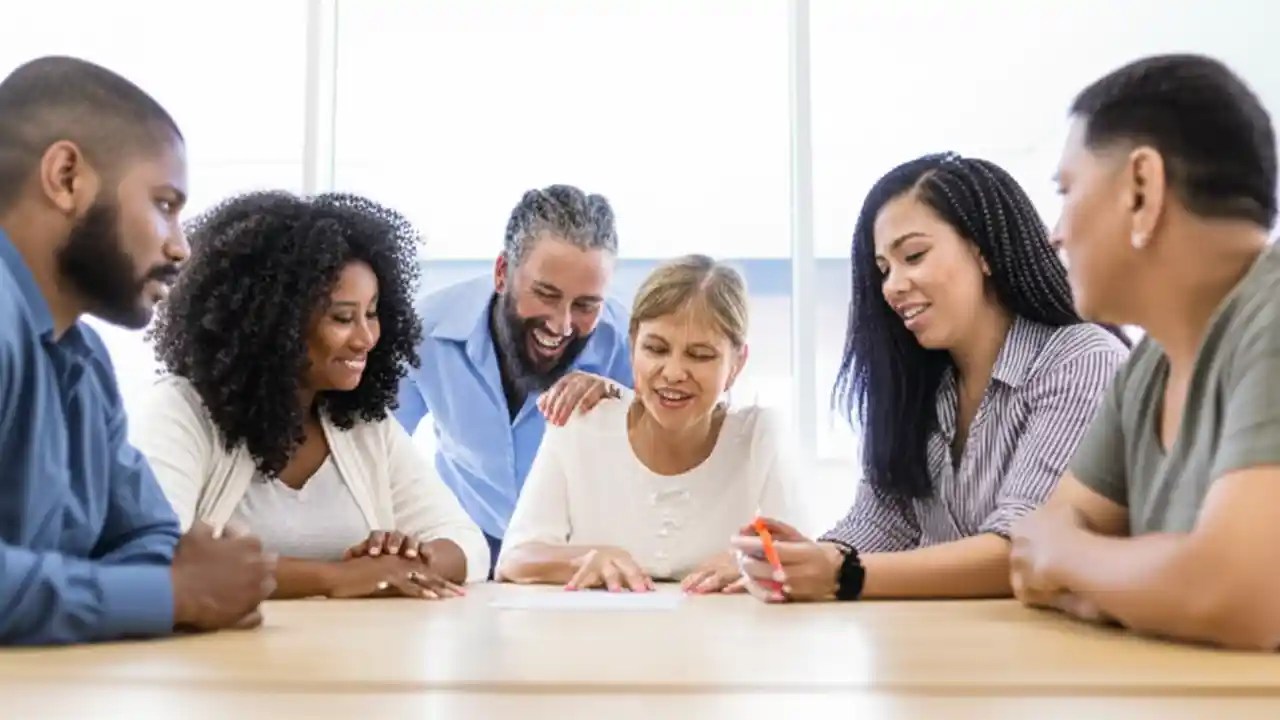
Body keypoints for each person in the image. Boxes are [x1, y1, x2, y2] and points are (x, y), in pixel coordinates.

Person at [733, 152, 1129, 603]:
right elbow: (881, 523)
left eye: (914, 256)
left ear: (982, 251)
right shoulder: (923, 384)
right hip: (937, 639)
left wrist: (843, 574)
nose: (892, 286)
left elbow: (1026, 549)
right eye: (883, 269)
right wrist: (792, 562)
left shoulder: (1080, 361)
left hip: (1037, 644)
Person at [1010, 54, 1280, 650]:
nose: (1055, 233)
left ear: (1142, 188)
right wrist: (1146, 583)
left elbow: (1241, 595)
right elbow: (1033, 552)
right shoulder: (1147, 365)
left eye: (1067, 191)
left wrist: (1076, 560)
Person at [0, 57, 273, 645]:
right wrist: (174, 596)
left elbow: (148, 537)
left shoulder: (84, 360)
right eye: (165, 204)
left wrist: (170, 587)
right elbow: (168, 579)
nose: (181, 248)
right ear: (66, 178)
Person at [133, 191, 490, 599]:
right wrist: (335, 578)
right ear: (272, 322)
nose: (366, 338)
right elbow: (156, 556)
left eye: (372, 314)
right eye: (342, 318)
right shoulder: (179, 411)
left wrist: (408, 560)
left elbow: (468, 545)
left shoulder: (363, 426)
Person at [496, 255, 800, 592]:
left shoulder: (760, 435)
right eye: (656, 349)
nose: (673, 372)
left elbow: (803, 556)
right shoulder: (581, 423)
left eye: (700, 355)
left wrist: (756, 562)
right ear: (632, 348)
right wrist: (582, 559)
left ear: (737, 364)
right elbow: (514, 559)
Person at [395, 185, 634, 571]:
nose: (562, 324)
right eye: (546, 294)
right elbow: (375, 449)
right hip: (466, 548)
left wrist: (621, 400)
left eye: (586, 305)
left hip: (580, 556)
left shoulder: (630, 343)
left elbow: (678, 449)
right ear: (502, 273)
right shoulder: (423, 332)